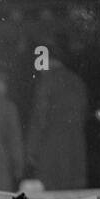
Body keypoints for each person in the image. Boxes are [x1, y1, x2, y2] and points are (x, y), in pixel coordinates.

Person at [24, 54, 88, 190]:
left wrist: (31, 150)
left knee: (50, 196)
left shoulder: (47, 80)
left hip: (51, 149)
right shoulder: (77, 81)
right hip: (75, 149)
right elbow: (83, 115)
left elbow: (39, 117)